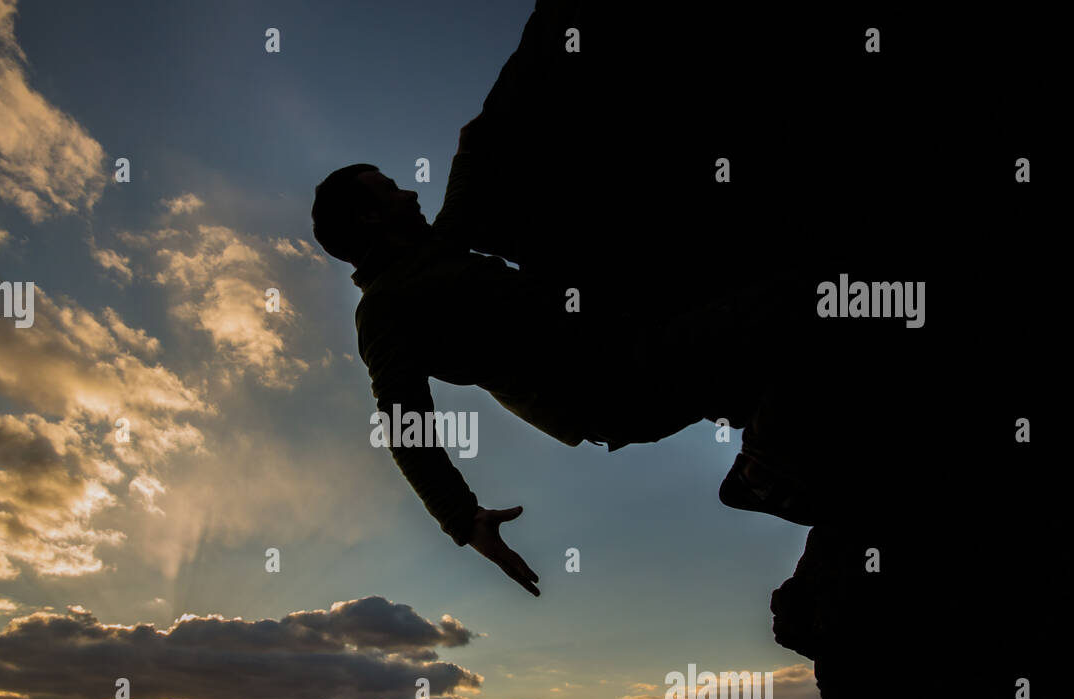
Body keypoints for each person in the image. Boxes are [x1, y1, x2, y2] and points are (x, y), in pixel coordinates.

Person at [312, 118, 812, 595]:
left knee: (769, 331)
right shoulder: (385, 308)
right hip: (615, 383)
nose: (410, 192)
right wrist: (461, 517)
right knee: (800, 302)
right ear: (370, 217)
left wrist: (472, 144)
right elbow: (405, 422)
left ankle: (770, 451)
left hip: (629, 344)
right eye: (392, 189)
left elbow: (459, 205)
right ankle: (759, 473)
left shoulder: (433, 250)